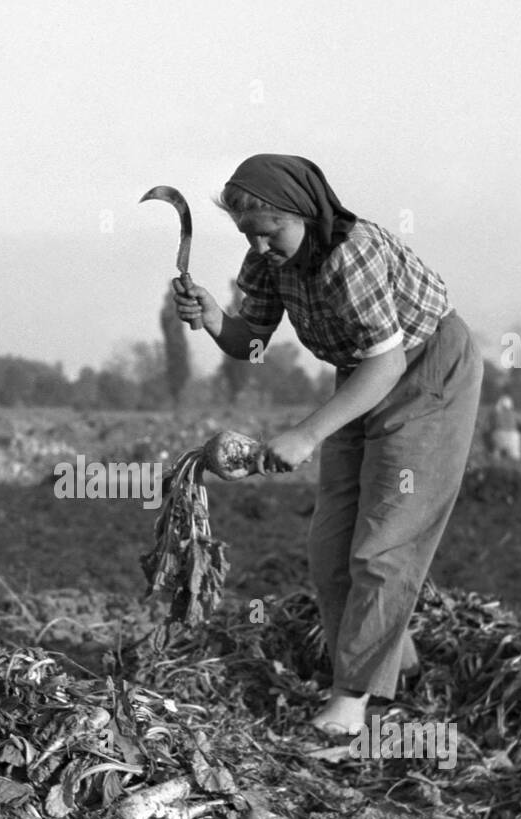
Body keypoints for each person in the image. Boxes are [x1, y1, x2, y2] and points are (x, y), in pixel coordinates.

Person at [171, 154, 483, 739]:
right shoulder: (268, 261)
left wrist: (308, 432)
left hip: (425, 372)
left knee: (383, 544)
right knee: (330, 546)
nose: (261, 247)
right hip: (360, 376)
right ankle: (400, 669)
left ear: (306, 213)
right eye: (249, 235)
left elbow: (388, 361)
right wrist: (215, 316)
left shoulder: (350, 253)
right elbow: (252, 341)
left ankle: (350, 705)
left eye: (271, 232)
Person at [488, 395, 521, 460]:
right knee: (516, 457)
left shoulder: (495, 413)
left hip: (499, 435)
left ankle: (496, 454)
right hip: (513, 437)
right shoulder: (514, 413)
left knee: (496, 452)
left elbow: (492, 426)